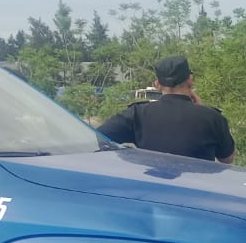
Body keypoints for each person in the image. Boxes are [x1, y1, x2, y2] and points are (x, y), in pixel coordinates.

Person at [97, 55, 235, 164]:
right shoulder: (212, 117)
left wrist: (132, 157)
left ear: (157, 84)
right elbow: (227, 159)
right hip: (196, 195)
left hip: (153, 194)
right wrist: (202, 111)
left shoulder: (136, 114)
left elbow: (98, 139)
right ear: (190, 80)